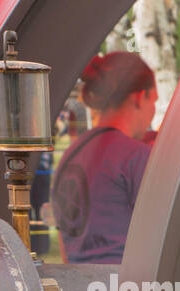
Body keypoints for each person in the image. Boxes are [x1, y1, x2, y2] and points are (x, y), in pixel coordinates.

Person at [52, 52, 157, 264]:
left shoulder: (70, 154)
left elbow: (65, 242)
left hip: (79, 289)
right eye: (154, 100)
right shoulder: (136, 156)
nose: (154, 110)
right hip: (128, 289)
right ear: (139, 97)